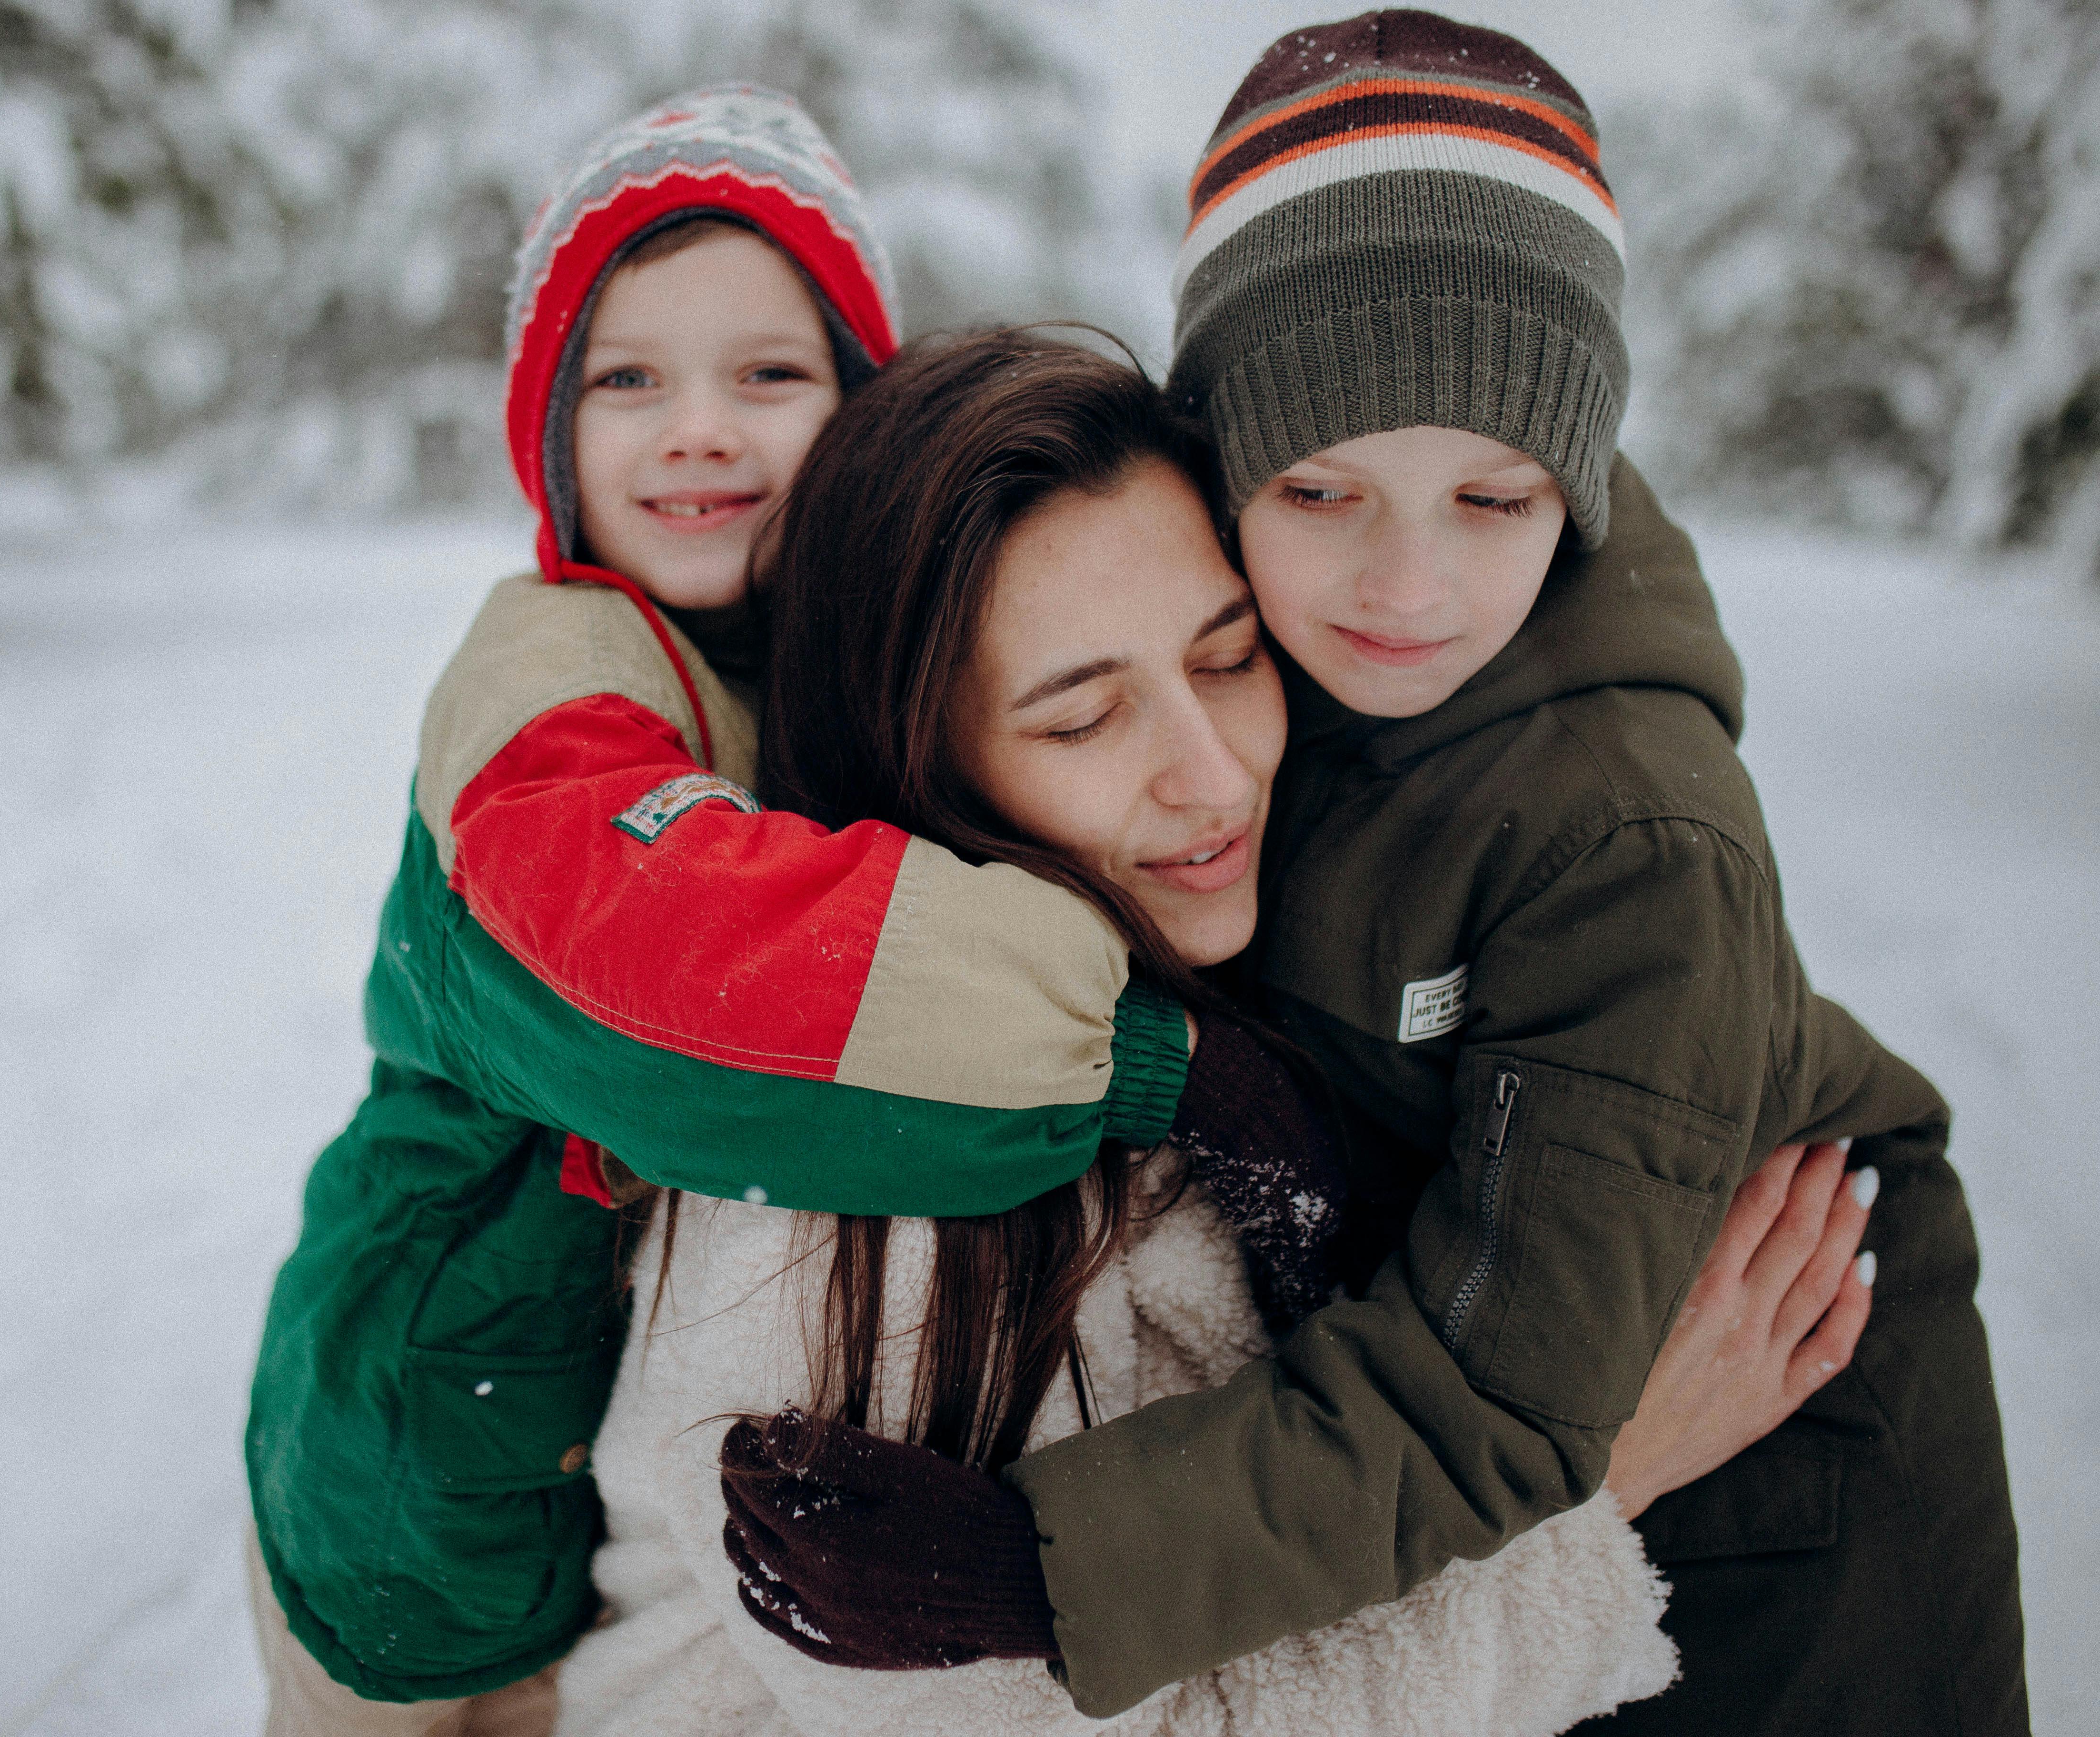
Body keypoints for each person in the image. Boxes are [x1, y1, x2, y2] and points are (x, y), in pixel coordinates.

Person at [722, 16, 2028, 1735]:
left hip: (1798, 1505)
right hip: (1525, 1498)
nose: (1405, 586)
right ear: (1221, 461)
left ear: (1580, 484)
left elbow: (1494, 1390)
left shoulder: (1630, 845)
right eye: (1321, 485)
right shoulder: (1276, 662)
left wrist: (1040, 1569)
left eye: (1496, 499)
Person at [555, 329, 1874, 1737]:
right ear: (915, 772)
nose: (1212, 772)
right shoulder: (836, 1235)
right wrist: (1605, 1488)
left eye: (1228, 657)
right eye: (1084, 719)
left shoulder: (1205, 981)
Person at [246, 83, 1294, 1735]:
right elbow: (680, 973)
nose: (699, 430)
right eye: (628, 382)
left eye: (771, 375)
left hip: (565, 1473)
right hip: (408, 1495)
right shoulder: (553, 689)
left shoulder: (784, 678)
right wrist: (1151, 1064)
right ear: (550, 437)